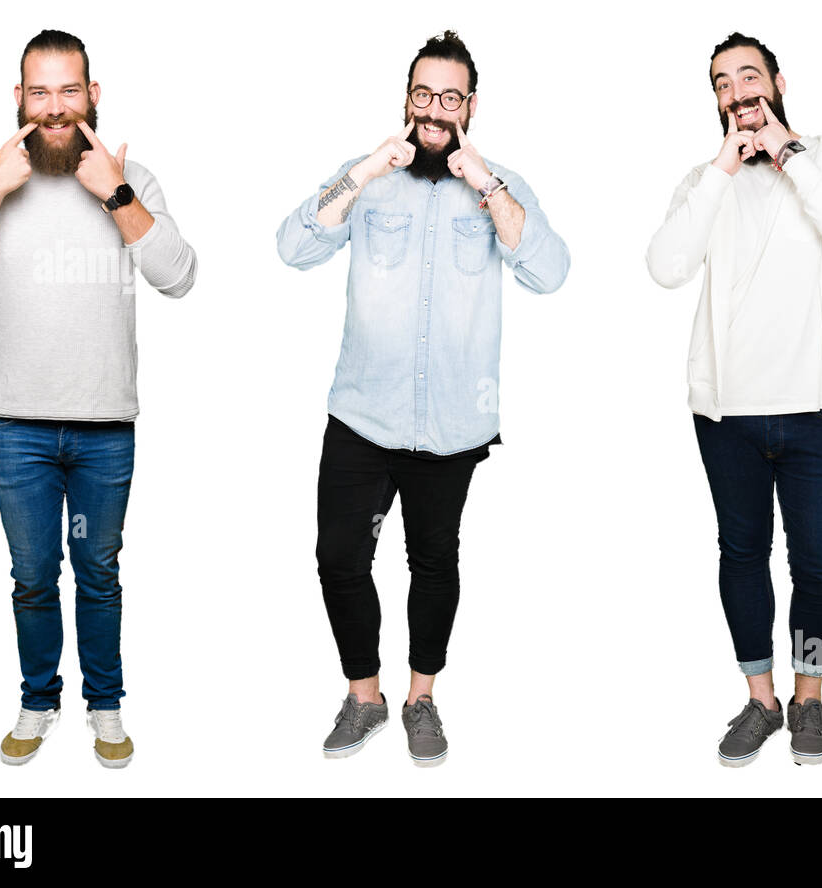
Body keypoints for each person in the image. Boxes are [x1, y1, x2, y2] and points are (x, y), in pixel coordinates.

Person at [276, 30, 569, 767]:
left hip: (452, 426)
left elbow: (550, 271)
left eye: (450, 97)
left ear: (471, 105)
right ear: (405, 100)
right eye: (422, 95)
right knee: (340, 556)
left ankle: (421, 699)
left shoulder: (499, 184)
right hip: (363, 416)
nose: (434, 110)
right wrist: (368, 167)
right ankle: (365, 696)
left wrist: (489, 186)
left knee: (434, 562)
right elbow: (294, 246)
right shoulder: (368, 174)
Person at [0, 29, 197, 768]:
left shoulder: (130, 175)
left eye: (68, 90)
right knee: (33, 576)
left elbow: (179, 276)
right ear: (18, 99)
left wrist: (115, 192)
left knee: (99, 572)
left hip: (106, 426)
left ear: (92, 96)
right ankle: (38, 700)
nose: (53, 107)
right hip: (18, 428)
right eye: (38, 92)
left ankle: (104, 706)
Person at [647, 33, 822, 767]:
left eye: (750, 75)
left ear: (778, 82)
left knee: (819, 564)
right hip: (728, 413)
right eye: (723, 83)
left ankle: (810, 698)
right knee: (741, 555)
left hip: (814, 409)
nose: (738, 90)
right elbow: (665, 265)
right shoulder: (705, 179)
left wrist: (787, 154)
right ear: (717, 101)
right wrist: (725, 163)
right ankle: (761, 698)